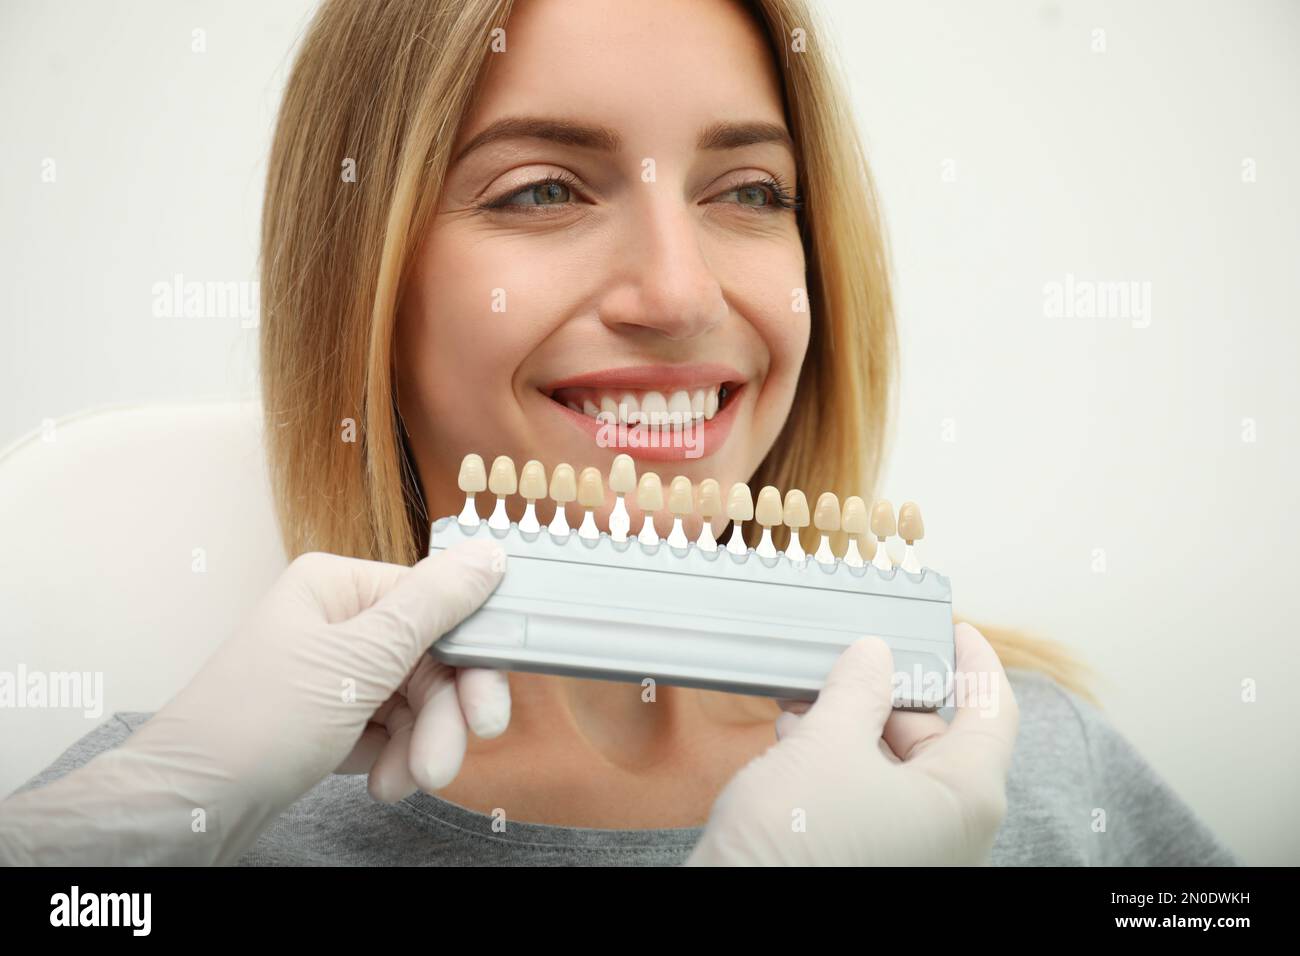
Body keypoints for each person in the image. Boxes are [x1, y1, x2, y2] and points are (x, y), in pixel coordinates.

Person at [2, 0, 1237, 866]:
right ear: (363, 284)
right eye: (542, 189)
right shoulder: (171, 816)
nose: (679, 293)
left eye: (748, 190)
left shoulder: (1028, 767)